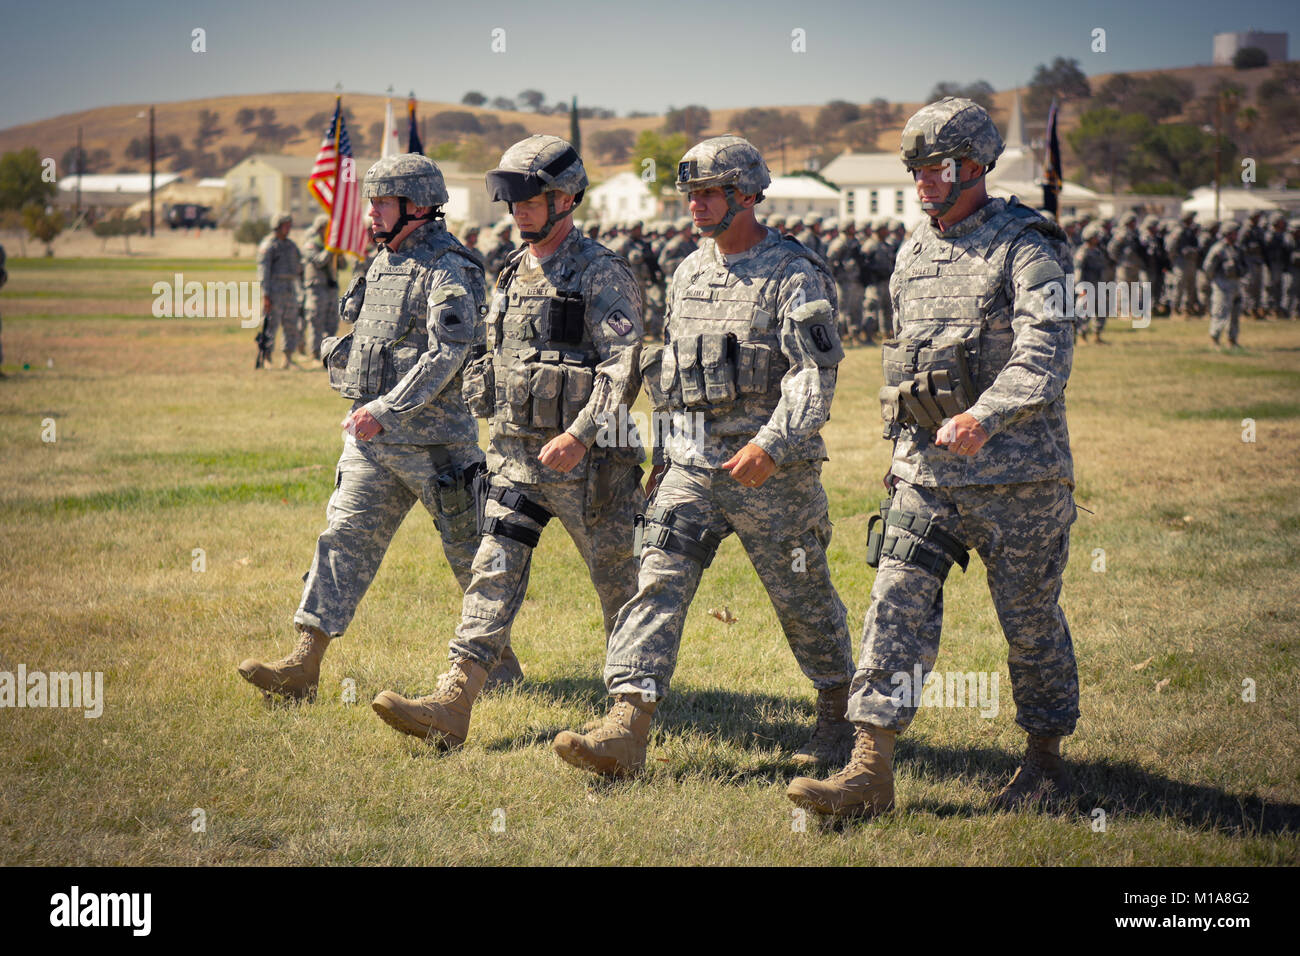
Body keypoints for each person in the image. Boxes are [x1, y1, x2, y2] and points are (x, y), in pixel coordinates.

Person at [787, 98, 1080, 819]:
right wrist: (900, 456)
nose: (922, 180)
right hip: (928, 474)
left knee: (1030, 623)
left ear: (976, 167)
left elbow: (1045, 353)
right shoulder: (913, 250)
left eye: (936, 167)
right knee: (893, 605)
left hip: (1020, 477)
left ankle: (1046, 758)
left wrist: (985, 414)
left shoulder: (1027, 243)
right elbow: (910, 366)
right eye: (914, 167)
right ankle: (869, 769)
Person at [550, 135, 856, 778]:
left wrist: (772, 445)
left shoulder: (793, 272)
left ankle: (838, 715)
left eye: (708, 193)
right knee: (655, 581)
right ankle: (626, 725)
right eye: (689, 194)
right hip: (691, 466)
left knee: (802, 596)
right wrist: (661, 458)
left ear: (746, 195)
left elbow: (814, 376)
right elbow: (677, 370)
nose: (694, 205)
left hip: (771, 473)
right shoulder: (688, 271)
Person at [369, 135, 646, 747]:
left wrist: (579, 434)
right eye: (511, 197)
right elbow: (495, 354)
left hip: (590, 468)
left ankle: (629, 715)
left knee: (621, 590)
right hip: (517, 462)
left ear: (565, 198)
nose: (517, 209)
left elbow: (623, 364)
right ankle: (453, 703)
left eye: (530, 197)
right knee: (490, 575)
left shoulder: (601, 272)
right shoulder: (512, 270)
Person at [237, 154, 490, 701]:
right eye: (370, 202)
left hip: (438, 448)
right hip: (372, 447)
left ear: (417, 206)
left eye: (381, 203)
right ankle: (302, 667)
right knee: (341, 543)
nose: (370, 213)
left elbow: (450, 352)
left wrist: (387, 409)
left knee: (476, 562)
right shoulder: (380, 263)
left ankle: (494, 670)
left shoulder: (451, 268)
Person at [257, 212, 303, 368]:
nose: (289, 228)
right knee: (271, 324)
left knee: (291, 325)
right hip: (275, 289)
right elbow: (263, 271)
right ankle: (267, 358)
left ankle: (287, 358)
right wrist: (266, 295)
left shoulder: (291, 245)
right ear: (277, 226)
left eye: (289, 224)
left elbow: (300, 266)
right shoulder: (269, 245)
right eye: (286, 225)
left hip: (290, 289)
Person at [1202, 218, 1246, 350]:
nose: (1236, 235)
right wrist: (1215, 281)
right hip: (1222, 286)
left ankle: (1232, 340)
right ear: (1227, 234)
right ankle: (1214, 339)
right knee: (1220, 313)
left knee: (1235, 314)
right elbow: (1208, 267)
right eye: (1234, 233)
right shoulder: (1218, 249)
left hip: (1236, 285)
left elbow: (1243, 265)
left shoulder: (1237, 249)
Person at [301, 213, 339, 361]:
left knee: (332, 322)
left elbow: (343, 265)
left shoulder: (328, 247)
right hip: (317, 290)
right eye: (326, 228)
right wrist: (330, 249)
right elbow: (319, 261)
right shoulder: (311, 245)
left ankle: (328, 354)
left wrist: (338, 255)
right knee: (316, 322)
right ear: (319, 229)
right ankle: (314, 354)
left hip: (331, 289)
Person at [826, 218, 866, 344]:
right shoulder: (838, 244)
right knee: (842, 311)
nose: (855, 230)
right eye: (852, 227)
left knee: (856, 309)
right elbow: (830, 263)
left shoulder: (854, 242)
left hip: (854, 280)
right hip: (842, 282)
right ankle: (840, 336)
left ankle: (854, 335)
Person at [1167, 212, 1201, 318]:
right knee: (1179, 286)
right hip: (1181, 263)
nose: (1192, 220)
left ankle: (1186, 309)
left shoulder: (1189, 231)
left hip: (1190, 262)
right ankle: (1175, 309)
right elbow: (1170, 248)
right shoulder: (1179, 231)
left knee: (1190, 287)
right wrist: (1175, 260)